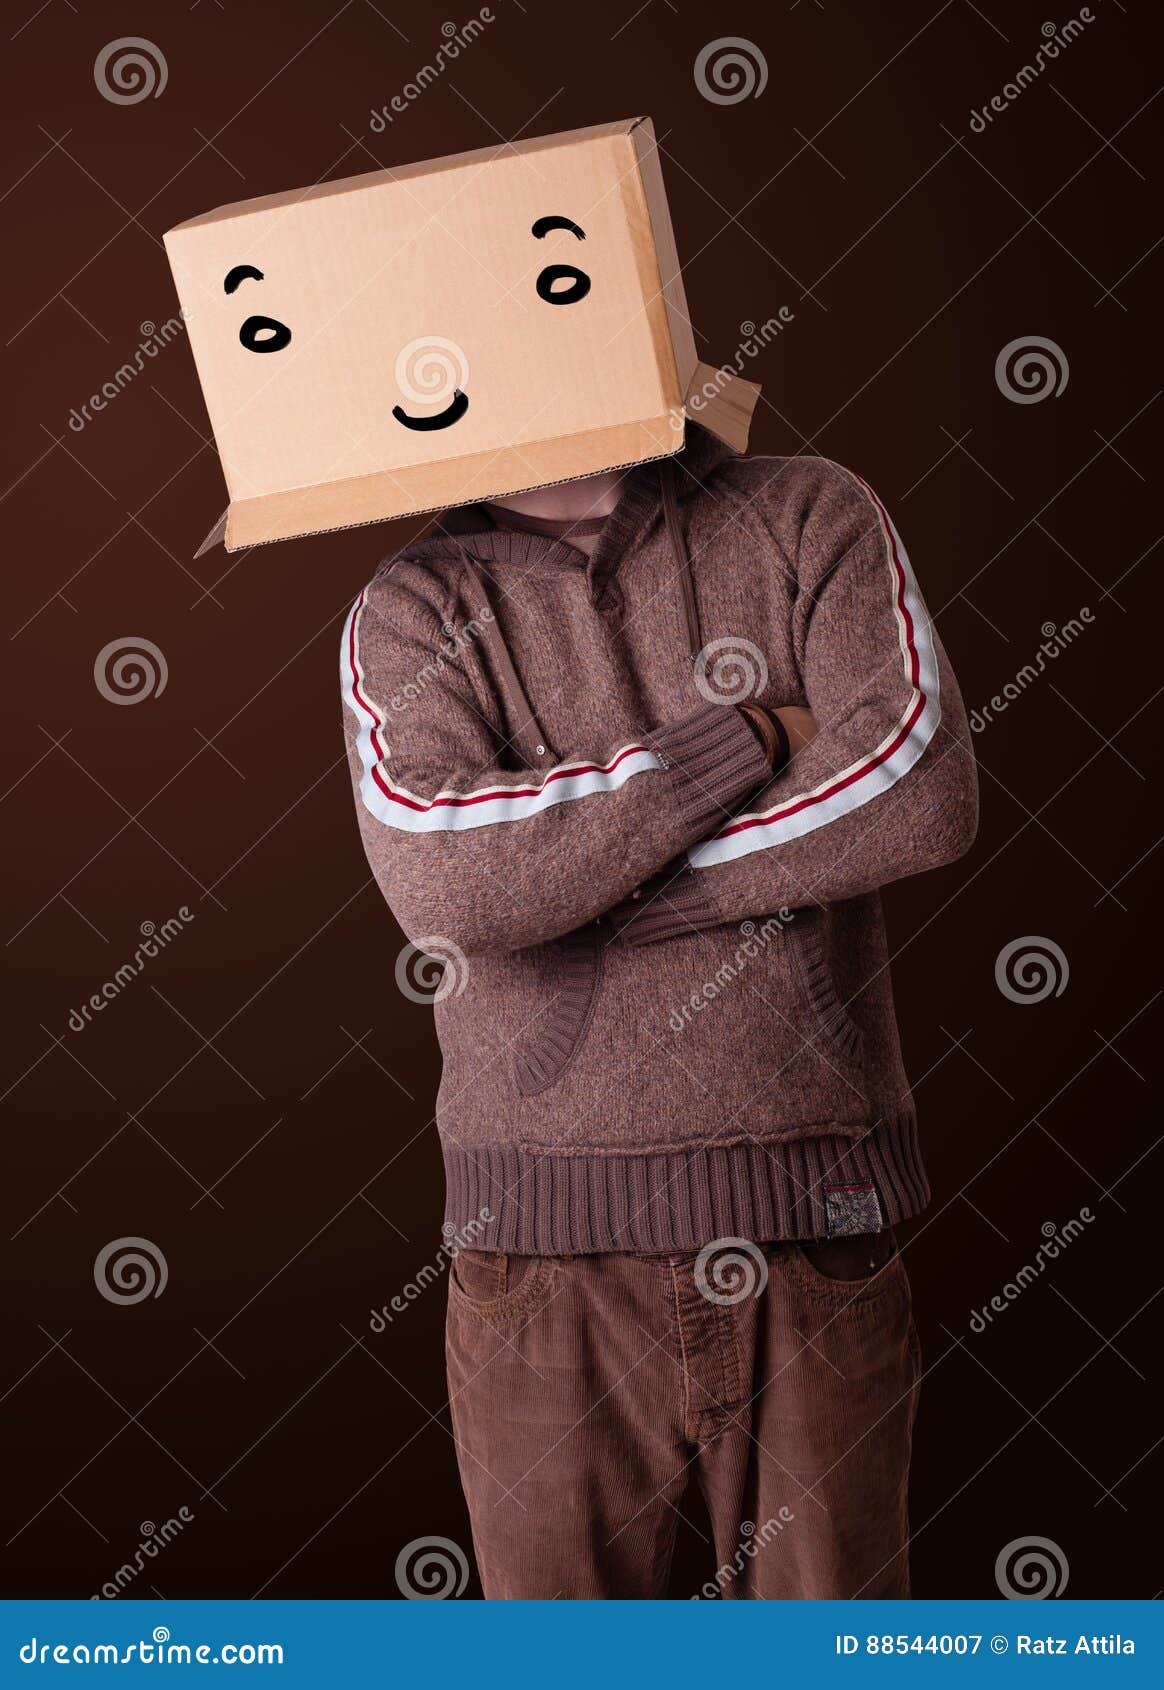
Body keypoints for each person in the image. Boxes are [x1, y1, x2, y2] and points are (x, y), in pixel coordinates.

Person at [341, 424, 978, 1598]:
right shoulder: (412, 605)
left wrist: (591, 887)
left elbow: (918, 788)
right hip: (542, 1255)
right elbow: (447, 881)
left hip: (811, 1219)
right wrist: (745, 738)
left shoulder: (809, 513)